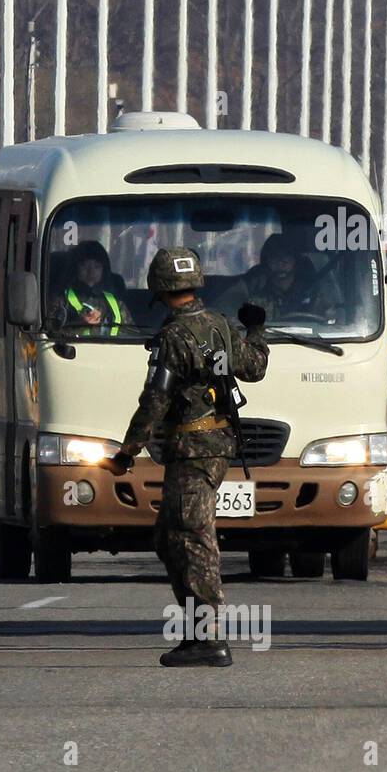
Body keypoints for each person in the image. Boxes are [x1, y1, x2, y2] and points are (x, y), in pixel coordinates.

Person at [100, 247, 269, 668]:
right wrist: (256, 330)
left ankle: (208, 638)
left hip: (193, 450)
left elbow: (154, 399)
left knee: (192, 537)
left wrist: (128, 451)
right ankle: (198, 632)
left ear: (158, 288)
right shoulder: (220, 326)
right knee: (169, 536)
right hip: (215, 446)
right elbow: (254, 367)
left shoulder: (174, 337)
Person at [238, 232, 338, 322]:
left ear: (295, 260)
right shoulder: (256, 297)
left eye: (285, 257)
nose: (280, 264)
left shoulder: (314, 296)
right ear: (266, 261)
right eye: (274, 258)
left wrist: (329, 315)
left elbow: (334, 323)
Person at [46, 239, 133, 333]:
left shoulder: (117, 303)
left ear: (104, 270)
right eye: (84, 265)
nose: (91, 271)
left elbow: (133, 334)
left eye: (97, 266)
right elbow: (48, 334)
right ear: (75, 268)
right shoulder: (60, 300)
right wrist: (77, 324)